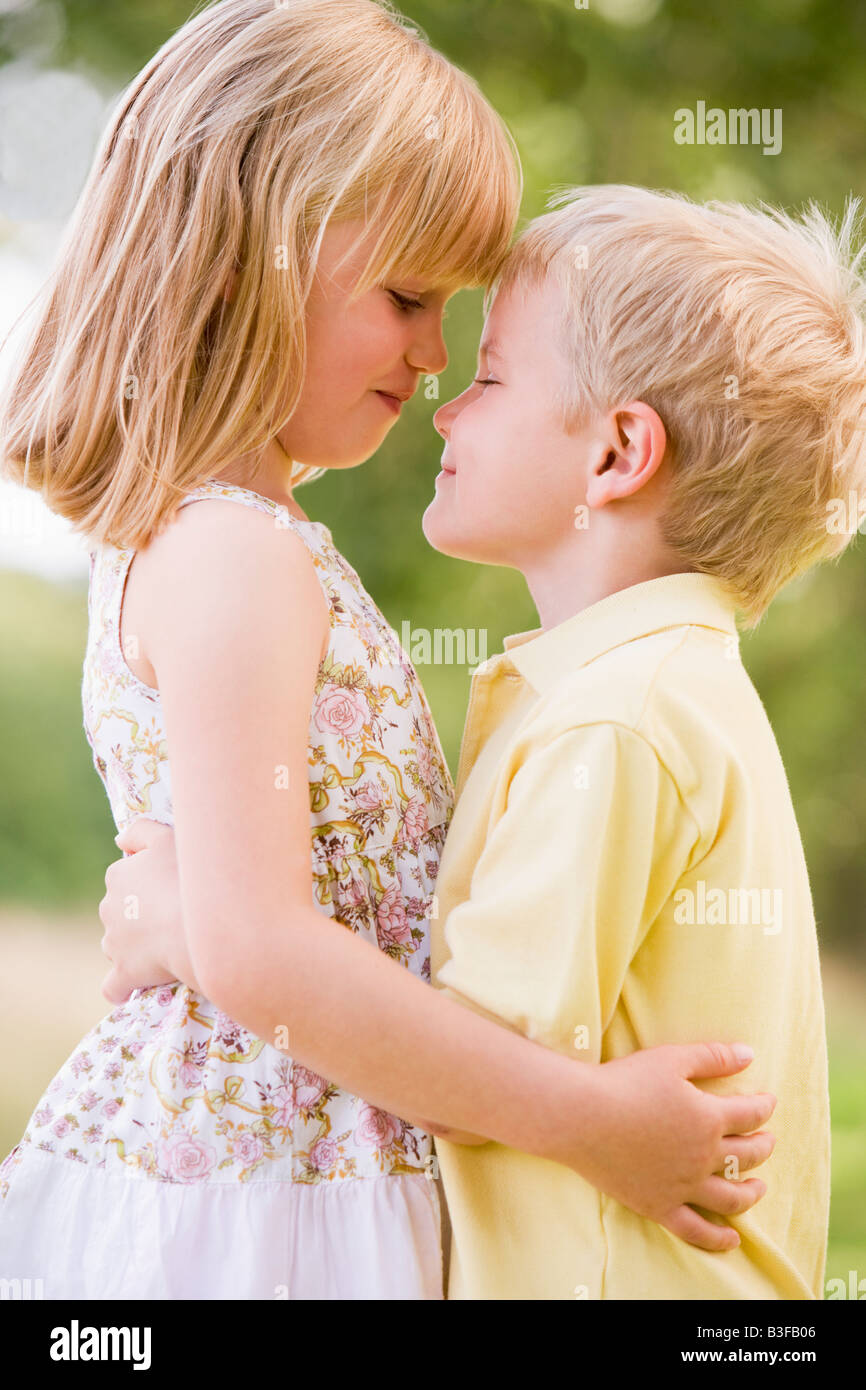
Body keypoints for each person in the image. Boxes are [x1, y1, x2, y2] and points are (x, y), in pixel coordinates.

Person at [0, 1, 776, 1299]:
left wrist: (186, 924)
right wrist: (596, 1124)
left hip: (304, 1167)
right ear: (244, 251)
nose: (433, 359)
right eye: (410, 299)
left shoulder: (241, 537)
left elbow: (244, 930)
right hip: (259, 1207)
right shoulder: (235, 552)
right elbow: (267, 953)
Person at [420, 184, 863, 1298]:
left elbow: (448, 1071)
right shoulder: (665, 693)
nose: (441, 410)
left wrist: (206, 936)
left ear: (618, 452)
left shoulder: (612, 721)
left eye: (486, 376)